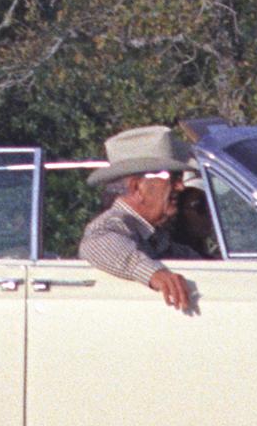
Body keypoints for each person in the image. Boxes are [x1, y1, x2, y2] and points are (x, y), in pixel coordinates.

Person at [77, 125, 202, 314]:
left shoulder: (154, 234)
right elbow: (96, 244)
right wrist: (155, 274)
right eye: (173, 177)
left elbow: (190, 258)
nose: (180, 187)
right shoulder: (112, 225)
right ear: (137, 188)